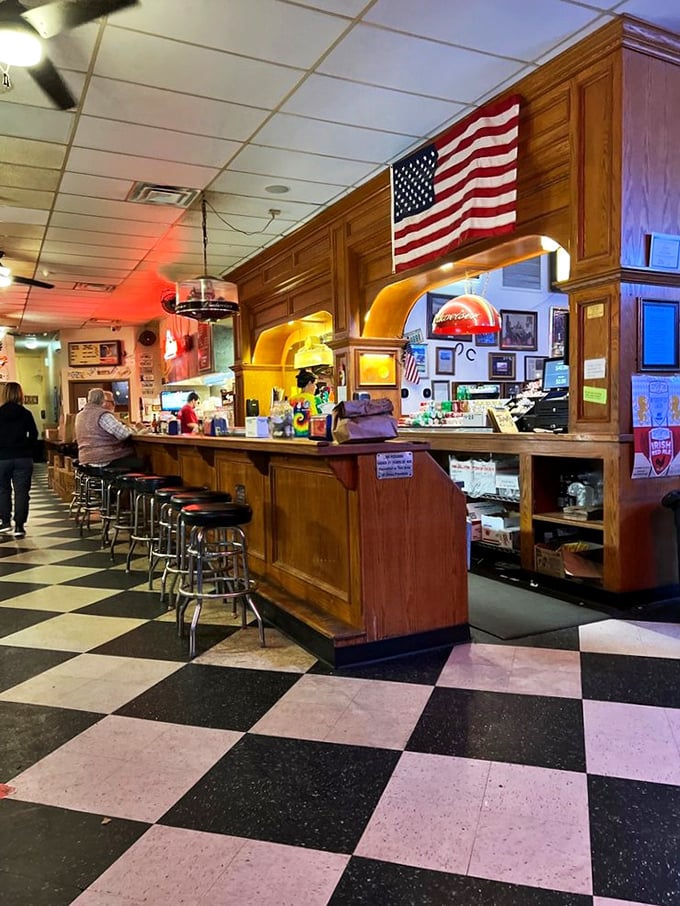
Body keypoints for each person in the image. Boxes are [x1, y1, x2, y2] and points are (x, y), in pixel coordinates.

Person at [0, 381, 39, 539]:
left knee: (2, 490)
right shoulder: (26, 413)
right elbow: (34, 434)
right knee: (22, 492)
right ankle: (19, 526)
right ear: (20, 394)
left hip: (2, 458)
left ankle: (5, 521)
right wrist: (27, 448)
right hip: (23, 457)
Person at [75, 388, 146, 471]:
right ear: (103, 401)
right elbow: (124, 434)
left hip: (85, 460)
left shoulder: (79, 416)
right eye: (112, 402)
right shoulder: (103, 415)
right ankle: (127, 484)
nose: (114, 405)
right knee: (143, 462)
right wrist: (137, 430)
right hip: (104, 459)